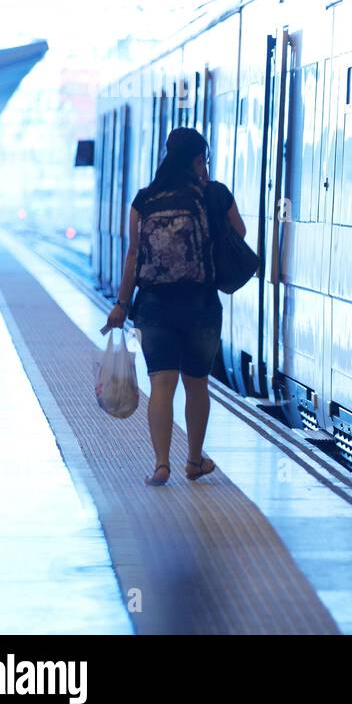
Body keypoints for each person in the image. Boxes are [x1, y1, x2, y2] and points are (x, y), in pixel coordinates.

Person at [103, 127, 246, 486]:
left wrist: (122, 304)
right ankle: (194, 461)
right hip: (201, 305)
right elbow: (239, 233)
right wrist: (210, 193)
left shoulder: (145, 200)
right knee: (197, 384)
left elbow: (133, 255)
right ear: (199, 159)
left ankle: (162, 464)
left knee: (161, 385)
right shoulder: (213, 194)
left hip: (153, 306)